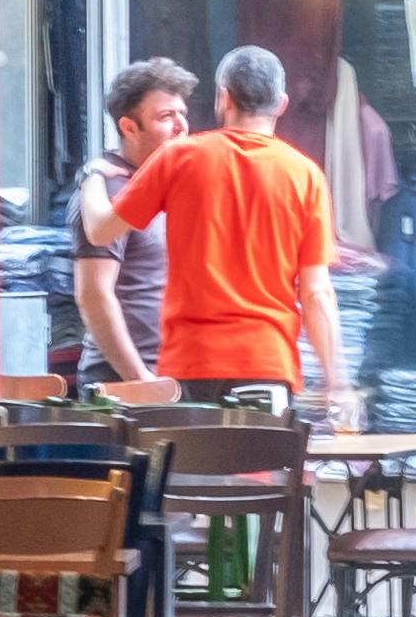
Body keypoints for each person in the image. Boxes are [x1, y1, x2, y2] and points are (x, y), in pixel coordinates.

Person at [100, 43, 353, 413]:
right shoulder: (306, 176)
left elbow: (102, 232)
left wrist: (93, 177)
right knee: (262, 470)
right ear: (281, 104)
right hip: (267, 365)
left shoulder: (177, 158)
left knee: (191, 470)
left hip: (189, 366)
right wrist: (338, 383)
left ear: (224, 98)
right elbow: (316, 294)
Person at [65, 55, 194, 391]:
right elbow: (93, 293)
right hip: (122, 383)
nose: (181, 125)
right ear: (128, 127)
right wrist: (140, 381)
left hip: (170, 374)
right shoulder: (108, 188)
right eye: (167, 116)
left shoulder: (167, 185)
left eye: (183, 113)